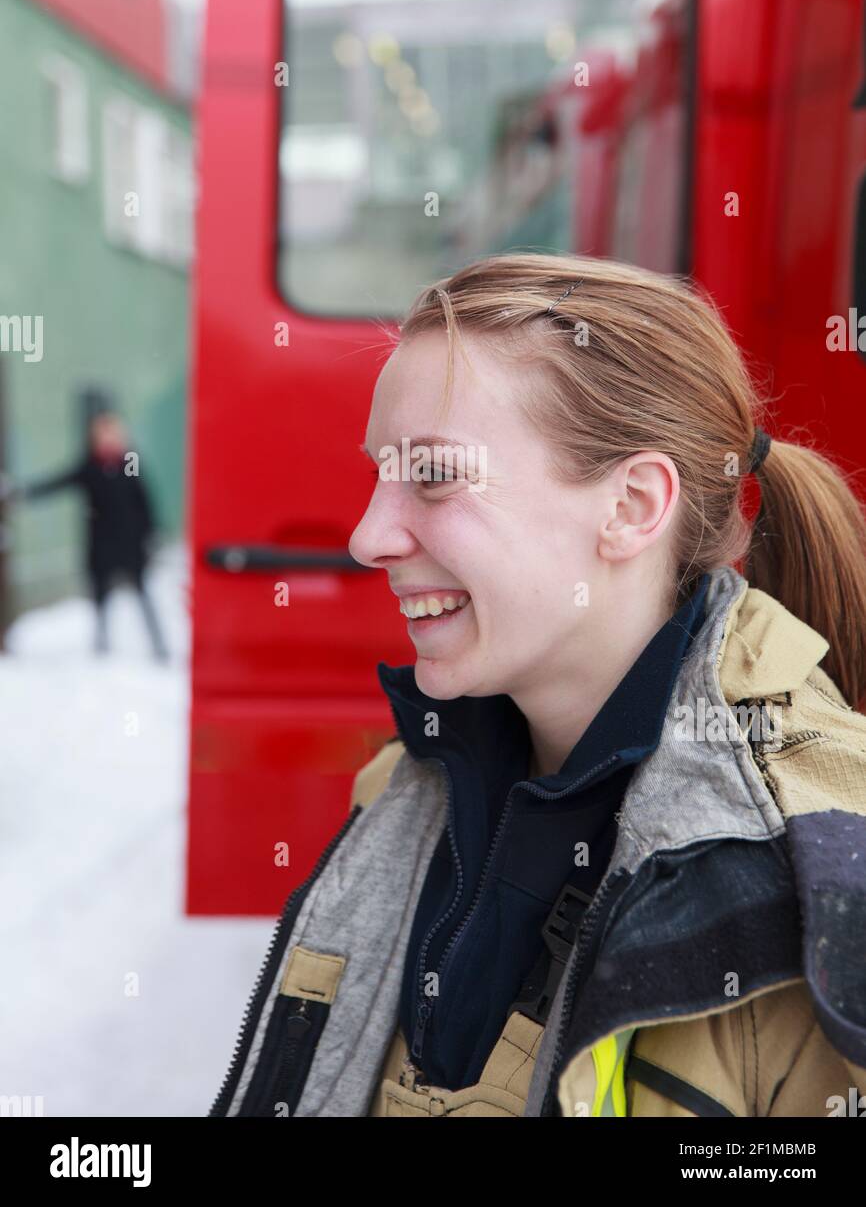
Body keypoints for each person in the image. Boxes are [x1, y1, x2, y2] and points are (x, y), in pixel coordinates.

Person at [210, 253, 866, 1118]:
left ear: (631, 507)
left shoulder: (810, 876)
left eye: (435, 476)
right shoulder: (411, 782)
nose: (369, 536)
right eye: (380, 474)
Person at [7, 410, 169, 660]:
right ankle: (101, 650)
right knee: (101, 599)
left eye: (112, 432)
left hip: (130, 543)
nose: (108, 438)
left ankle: (160, 648)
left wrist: (152, 533)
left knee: (143, 595)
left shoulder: (129, 461)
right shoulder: (90, 466)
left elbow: (142, 499)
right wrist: (24, 493)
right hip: (102, 545)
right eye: (102, 433)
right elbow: (60, 481)